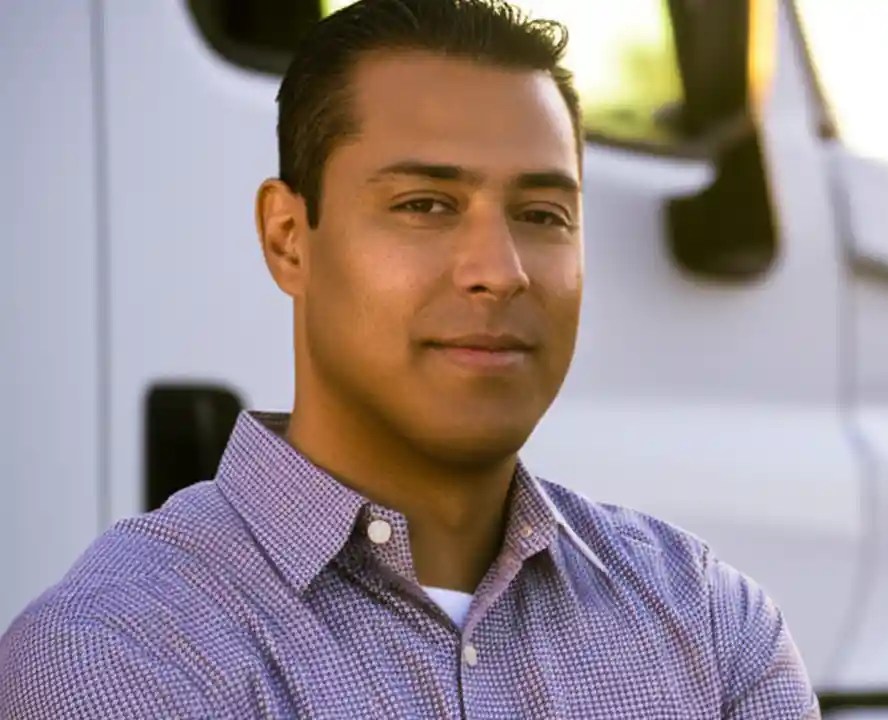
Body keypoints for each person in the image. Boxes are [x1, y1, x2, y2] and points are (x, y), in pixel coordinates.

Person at [0, 0, 818, 717]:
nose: (501, 270)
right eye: (425, 205)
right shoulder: (116, 658)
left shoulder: (712, 629)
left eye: (542, 213)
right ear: (289, 238)